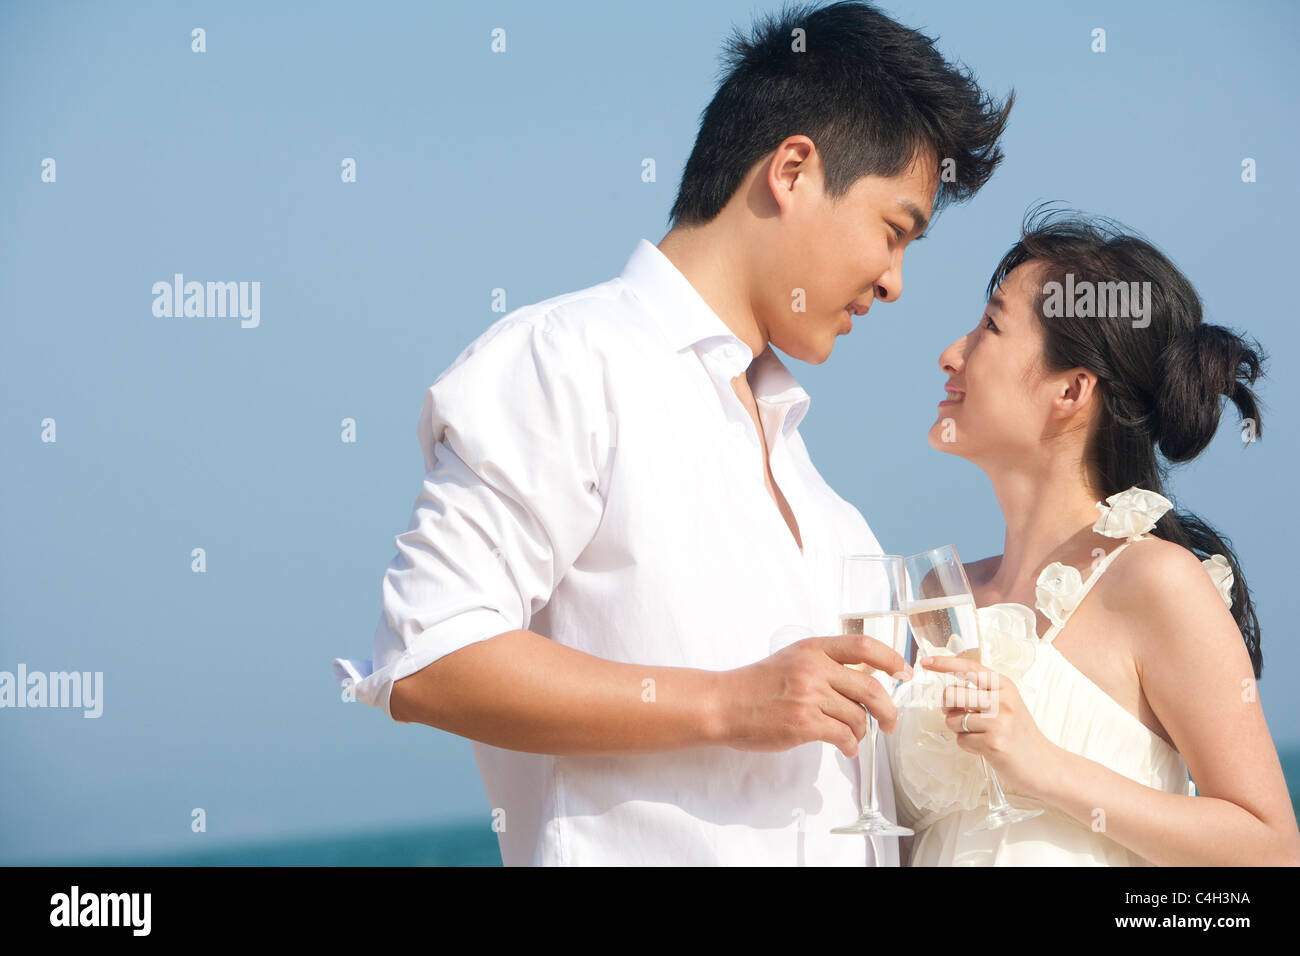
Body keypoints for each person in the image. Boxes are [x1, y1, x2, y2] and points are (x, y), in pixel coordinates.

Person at [331, 0, 1012, 865]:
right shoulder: (569, 360)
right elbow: (429, 655)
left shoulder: (829, 509)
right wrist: (730, 705)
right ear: (793, 170)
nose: (895, 282)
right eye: (894, 231)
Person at [885, 205, 1300, 866]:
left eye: (991, 327)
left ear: (1072, 390)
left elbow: (1271, 849)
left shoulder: (1154, 581)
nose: (952, 353)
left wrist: (1043, 766)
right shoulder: (942, 593)